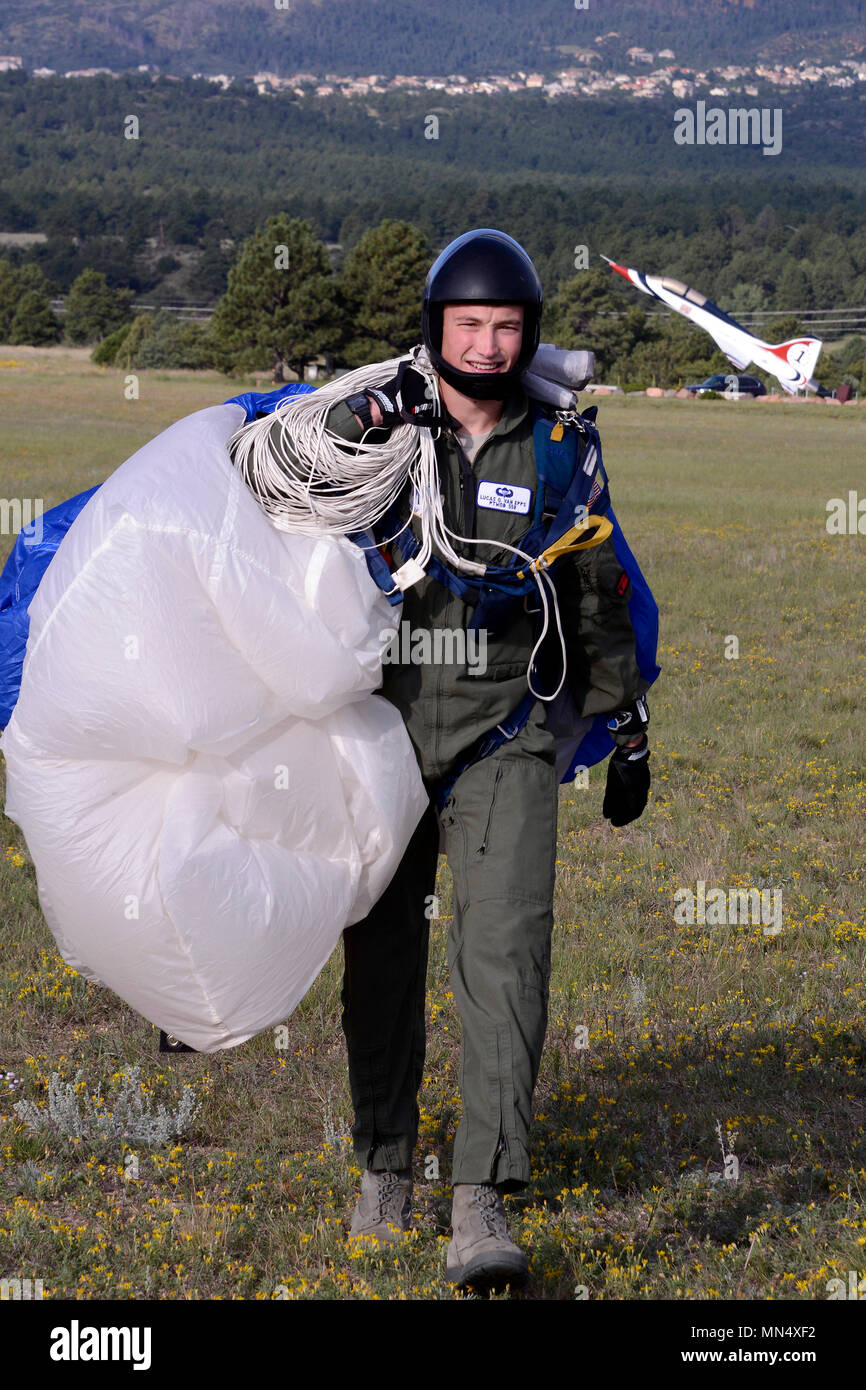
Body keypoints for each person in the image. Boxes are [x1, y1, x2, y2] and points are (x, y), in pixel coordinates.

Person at [267, 229, 653, 1291]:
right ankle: (383, 1168)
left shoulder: (561, 447)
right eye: (467, 324)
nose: (485, 345)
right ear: (434, 327)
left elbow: (596, 582)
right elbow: (270, 535)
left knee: (507, 954)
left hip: (506, 728)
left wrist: (624, 725)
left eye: (505, 326)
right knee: (383, 959)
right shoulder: (370, 436)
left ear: (526, 332)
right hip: (380, 731)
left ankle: (482, 1197)